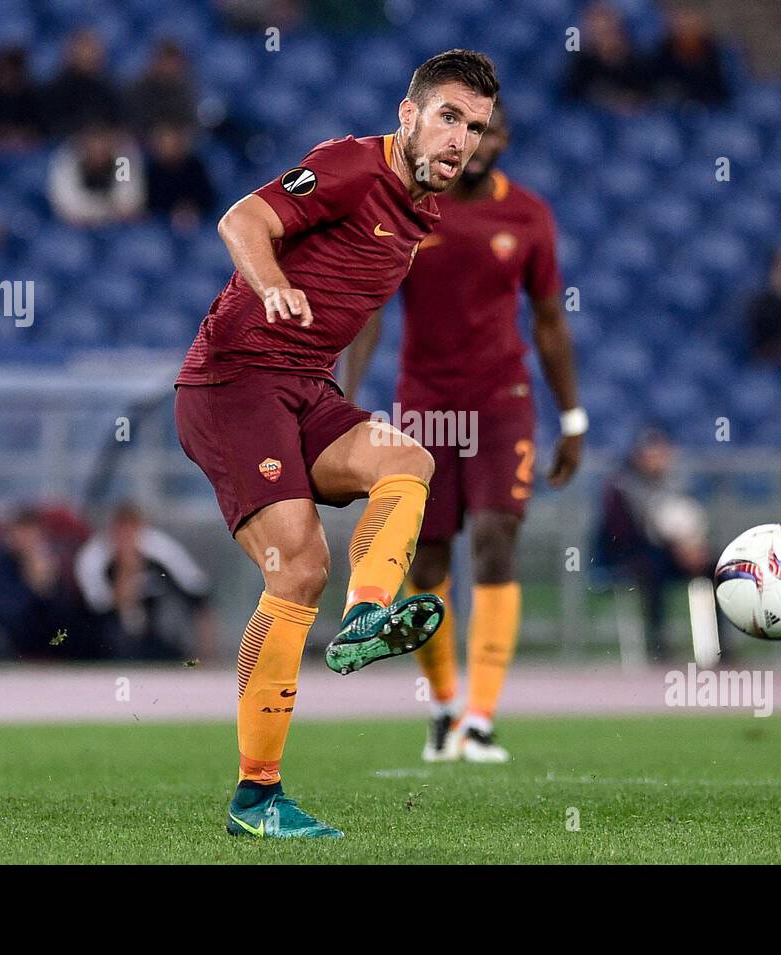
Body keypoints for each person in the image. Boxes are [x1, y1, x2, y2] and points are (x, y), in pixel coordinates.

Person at [174, 49, 499, 838]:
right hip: (235, 381)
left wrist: (346, 390)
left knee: (408, 459)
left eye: (478, 128)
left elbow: (366, 297)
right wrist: (271, 282)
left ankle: (365, 617)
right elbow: (242, 220)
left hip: (305, 389)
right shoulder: (354, 166)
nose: (462, 139)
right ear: (408, 113)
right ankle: (256, 797)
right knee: (300, 564)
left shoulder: (422, 212)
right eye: (449, 116)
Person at [341, 103, 583, 763]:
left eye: (490, 131)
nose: (475, 142)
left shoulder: (529, 214)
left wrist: (574, 416)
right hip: (425, 402)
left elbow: (550, 321)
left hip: (502, 399)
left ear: (505, 140)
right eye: (466, 129)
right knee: (428, 558)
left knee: (497, 538)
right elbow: (369, 309)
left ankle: (481, 718)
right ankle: (445, 706)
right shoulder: (409, 207)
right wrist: (344, 396)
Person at [596, 429, 715, 663]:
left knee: (714, 569)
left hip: (677, 552)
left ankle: (715, 649)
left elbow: (690, 518)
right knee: (652, 572)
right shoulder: (621, 487)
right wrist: (672, 545)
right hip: (635, 554)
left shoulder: (677, 483)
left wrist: (693, 546)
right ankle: (659, 646)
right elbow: (621, 534)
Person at [74, 503, 214, 660]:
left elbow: (199, 599)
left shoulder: (162, 552)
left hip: (154, 637)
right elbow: (98, 609)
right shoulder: (93, 559)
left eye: (131, 531)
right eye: (120, 533)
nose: (126, 539)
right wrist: (125, 573)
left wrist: (204, 655)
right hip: (105, 643)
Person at [0, 508, 79, 658]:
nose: (27, 539)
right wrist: (32, 590)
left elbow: (65, 616)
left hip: (48, 644)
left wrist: (48, 590)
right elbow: (4, 615)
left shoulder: (51, 566)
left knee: (71, 636)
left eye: (33, 533)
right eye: (22, 531)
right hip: (8, 643)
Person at [47, 123, 145, 227]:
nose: (98, 147)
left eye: (103, 140)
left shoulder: (122, 159)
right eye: (93, 141)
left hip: (117, 227)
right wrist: (107, 210)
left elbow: (127, 203)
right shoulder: (68, 159)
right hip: (76, 228)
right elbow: (68, 208)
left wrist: (93, 211)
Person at [563, 2, 651, 112]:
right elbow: (573, 99)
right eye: (597, 29)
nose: (603, 33)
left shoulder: (640, 61)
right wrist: (611, 98)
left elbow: (648, 97)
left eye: (607, 26)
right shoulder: (581, 65)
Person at [40, 29, 123, 137]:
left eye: (92, 50)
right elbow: (52, 125)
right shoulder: (56, 90)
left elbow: (118, 125)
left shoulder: (109, 90)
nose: (88, 55)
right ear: (70, 53)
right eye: (83, 49)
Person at [648, 10, 730, 106]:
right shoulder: (660, 55)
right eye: (682, 27)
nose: (687, 32)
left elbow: (726, 92)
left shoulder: (716, 54)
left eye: (691, 27)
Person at [144, 122, 216, 231]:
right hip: (160, 226)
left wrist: (190, 209)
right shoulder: (151, 169)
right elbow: (148, 205)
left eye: (173, 140)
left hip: (197, 223)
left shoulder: (195, 166)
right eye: (165, 140)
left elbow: (207, 200)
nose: (170, 145)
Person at [125, 40, 199, 134]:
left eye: (172, 63)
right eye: (165, 61)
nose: (168, 67)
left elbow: (189, 125)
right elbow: (134, 123)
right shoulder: (139, 90)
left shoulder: (187, 93)